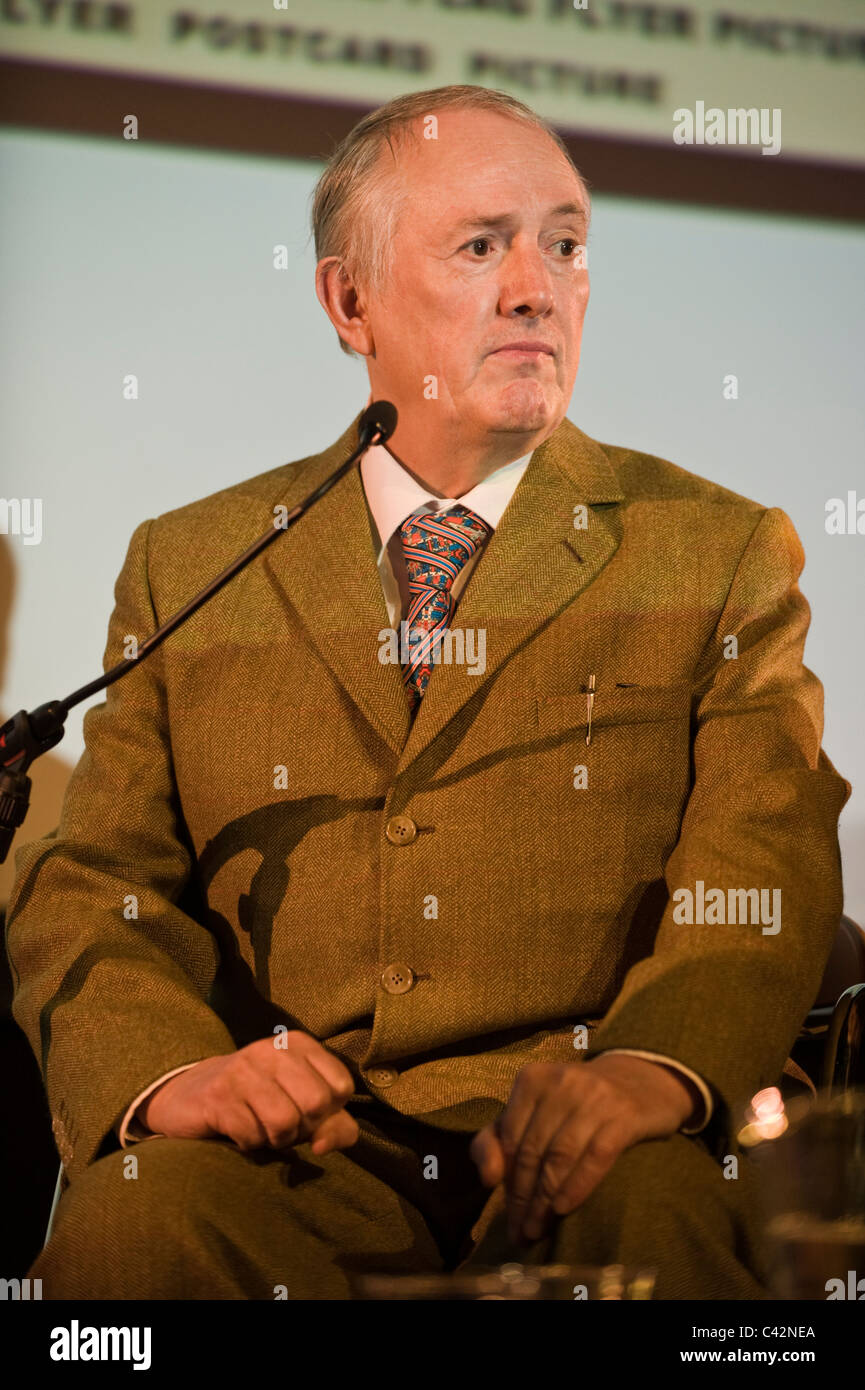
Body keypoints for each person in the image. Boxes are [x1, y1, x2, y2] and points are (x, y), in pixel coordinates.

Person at [6, 85, 849, 1300]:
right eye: (479, 244)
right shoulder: (191, 561)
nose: (535, 286)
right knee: (137, 1230)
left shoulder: (715, 550)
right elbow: (98, 882)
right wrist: (170, 1076)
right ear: (349, 302)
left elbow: (764, 854)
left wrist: (656, 1069)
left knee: (667, 1220)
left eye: (564, 244)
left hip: (596, 1137)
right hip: (301, 1152)